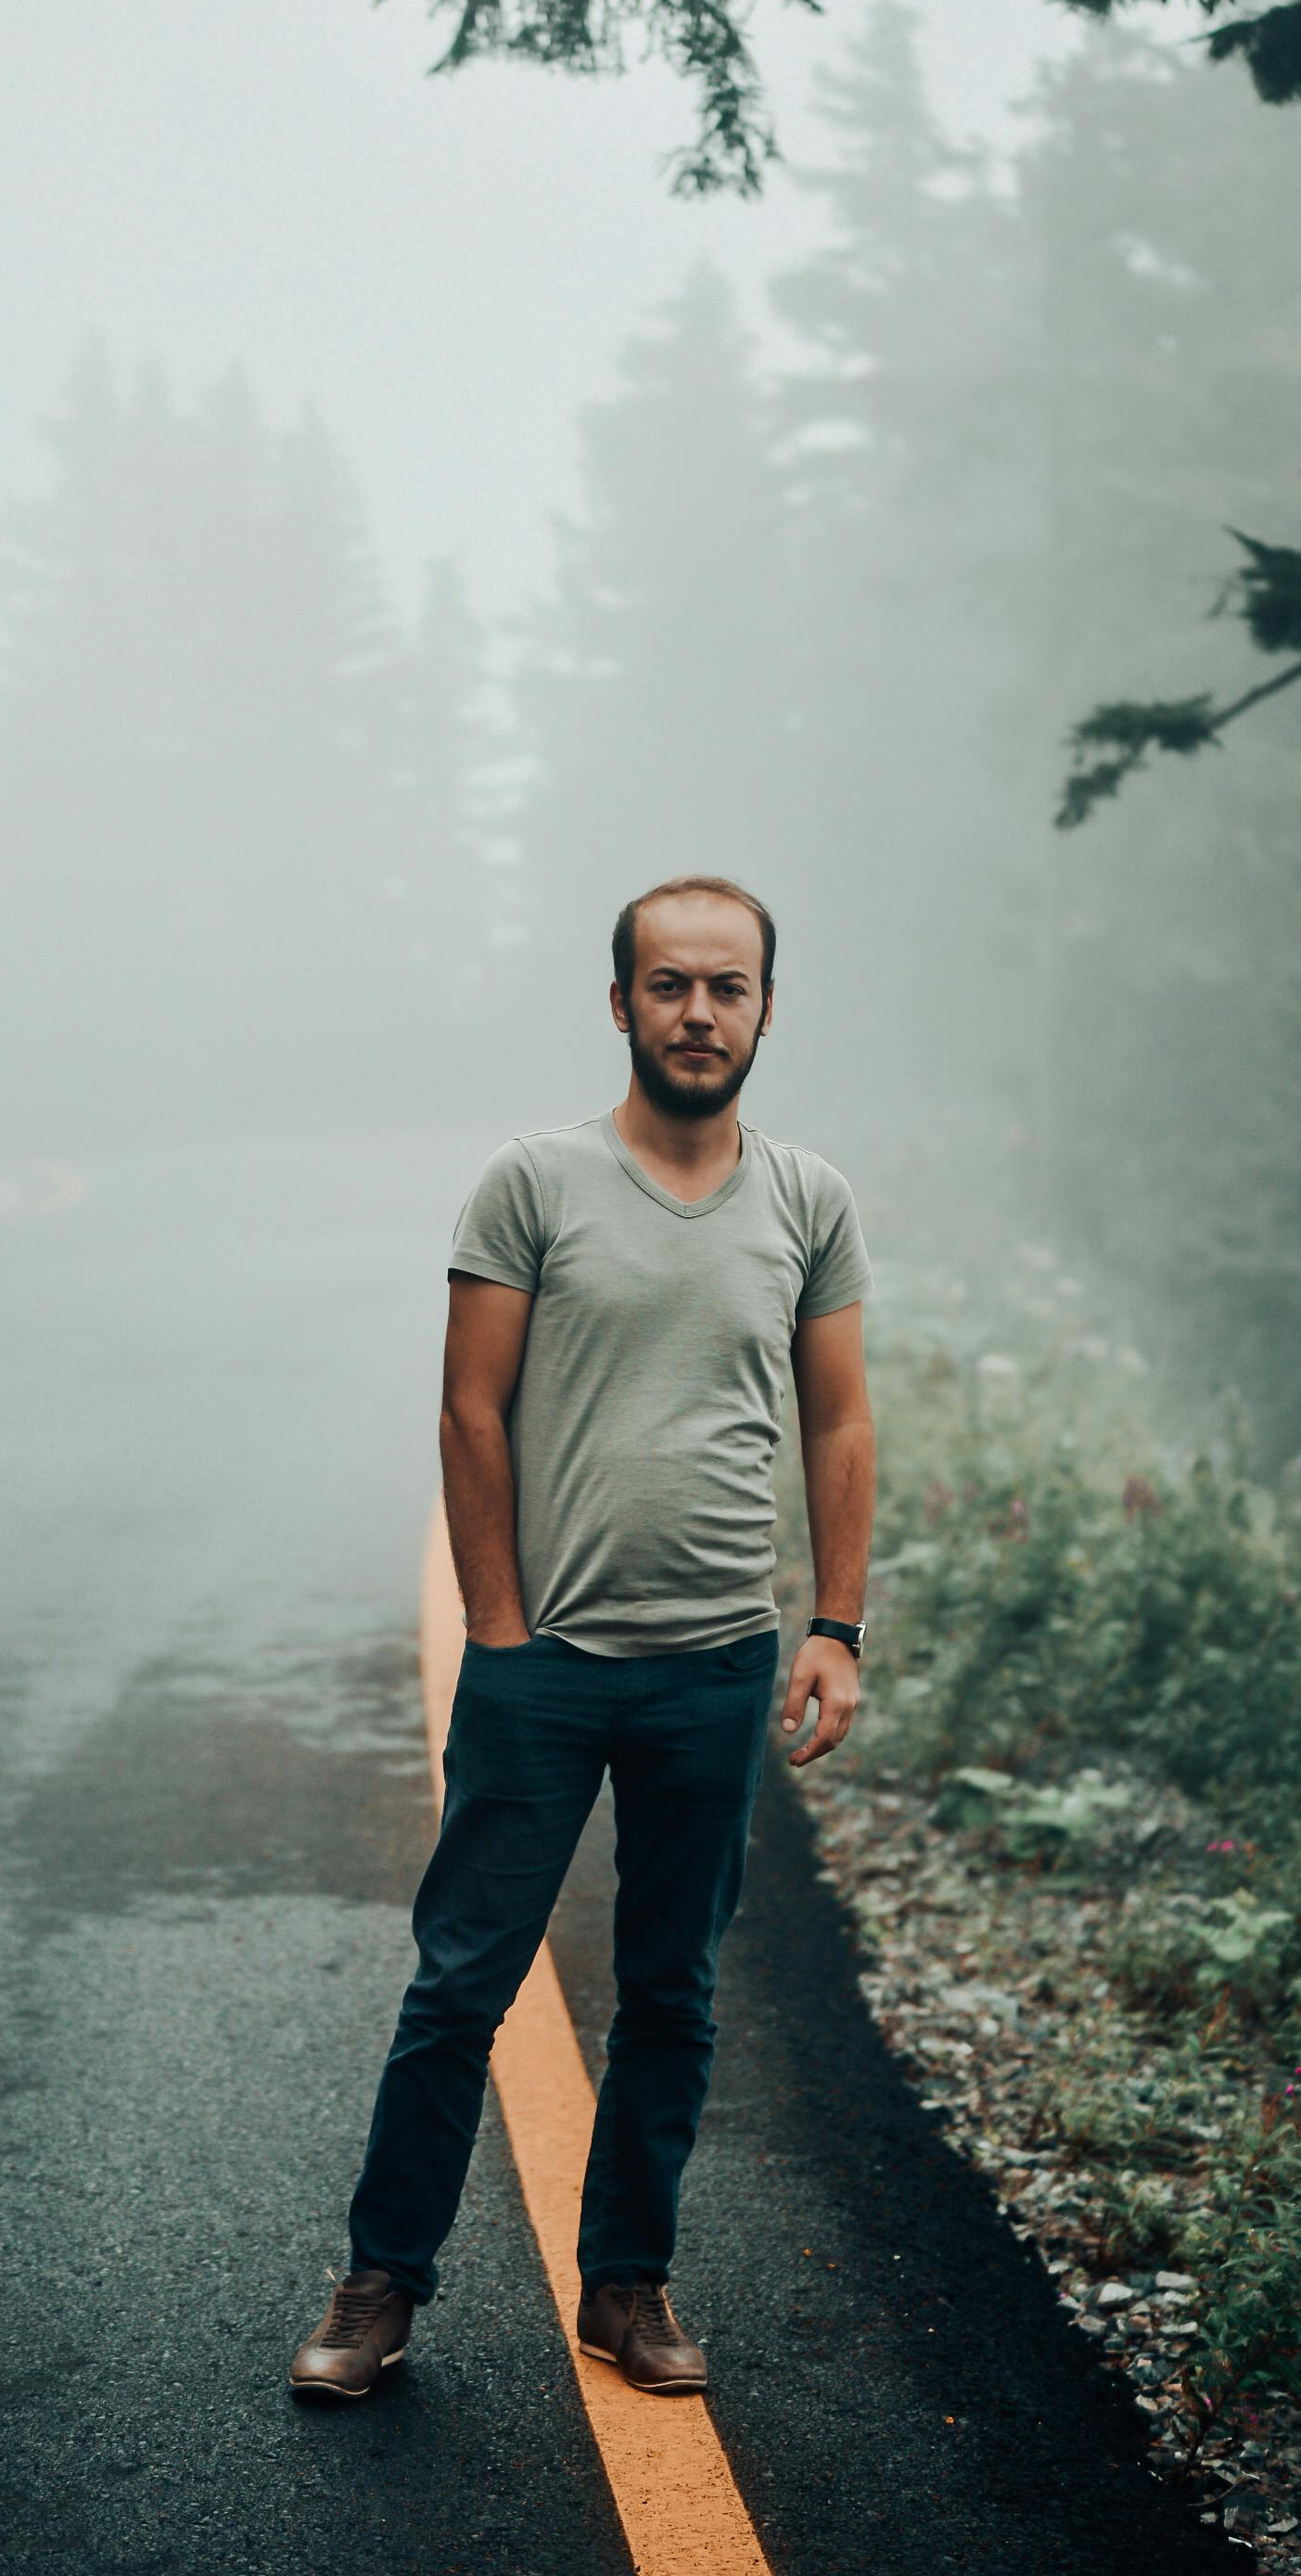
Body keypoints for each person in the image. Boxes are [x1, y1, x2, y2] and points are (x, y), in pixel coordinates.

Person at [288, 874, 876, 2400]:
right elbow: (467, 1408)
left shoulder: (809, 1201)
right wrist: (497, 1623)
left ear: (766, 1008)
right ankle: (379, 2287)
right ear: (621, 1002)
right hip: (543, 1667)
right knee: (460, 1988)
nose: (699, 1012)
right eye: (669, 984)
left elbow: (839, 1420)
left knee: (672, 1993)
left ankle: (626, 2287)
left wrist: (835, 1624)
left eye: (728, 986)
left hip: (716, 1668)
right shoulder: (532, 1183)